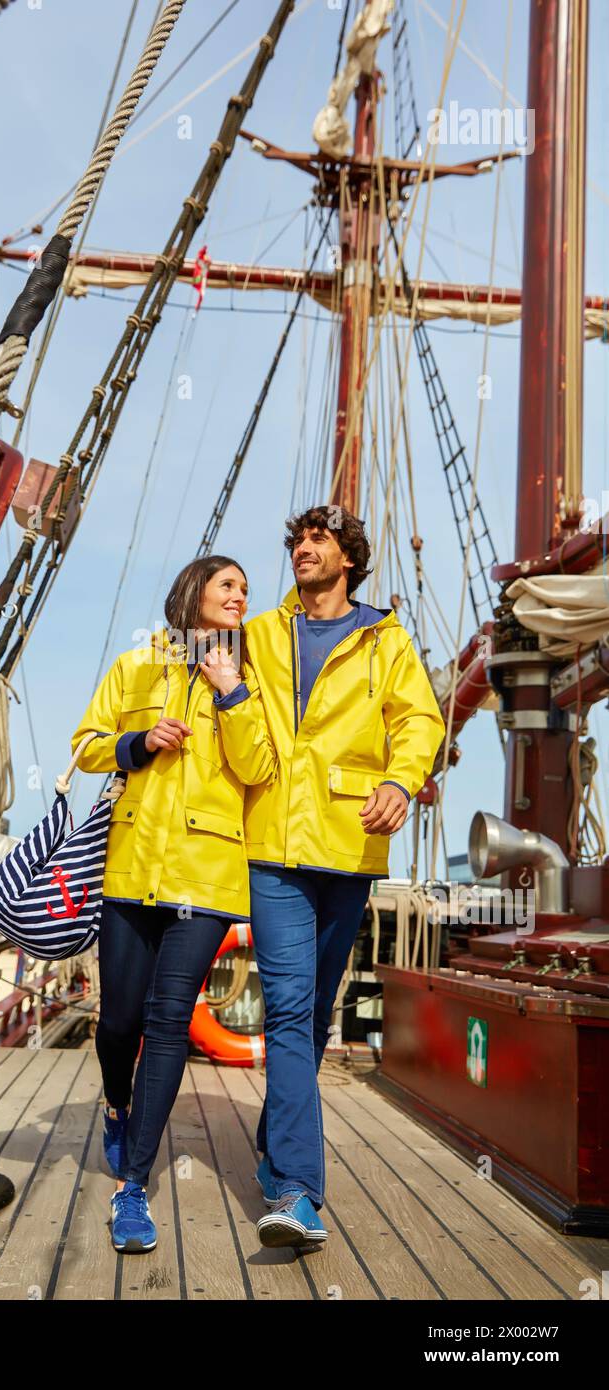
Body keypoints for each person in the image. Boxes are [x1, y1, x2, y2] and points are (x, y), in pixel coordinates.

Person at [243, 505, 446, 1248]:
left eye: (318, 540)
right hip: (272, 846)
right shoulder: (258, 632)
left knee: (315, 1008)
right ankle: (298, 1191)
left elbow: (419, 720)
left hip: (351, 843)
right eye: (296, 539)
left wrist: (401, 779)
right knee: (291, 1011)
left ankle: (273, 1150)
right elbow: (191, 667)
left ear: (349, 558)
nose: (302, 548)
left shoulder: (385, 637)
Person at [71, 555, 277, 1254]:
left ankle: (134, 1187)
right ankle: (116, 1103)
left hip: (209, 878)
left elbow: (259, 769)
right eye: (228, 585)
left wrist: (231, 695)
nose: (239, 596)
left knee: (166, 1025)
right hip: (130, 872)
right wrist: (138, 742)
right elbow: (88, 745)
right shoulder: (138, 667)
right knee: (120, 1021)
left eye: (245, 590)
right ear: (192, 593)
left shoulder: (247, 676)